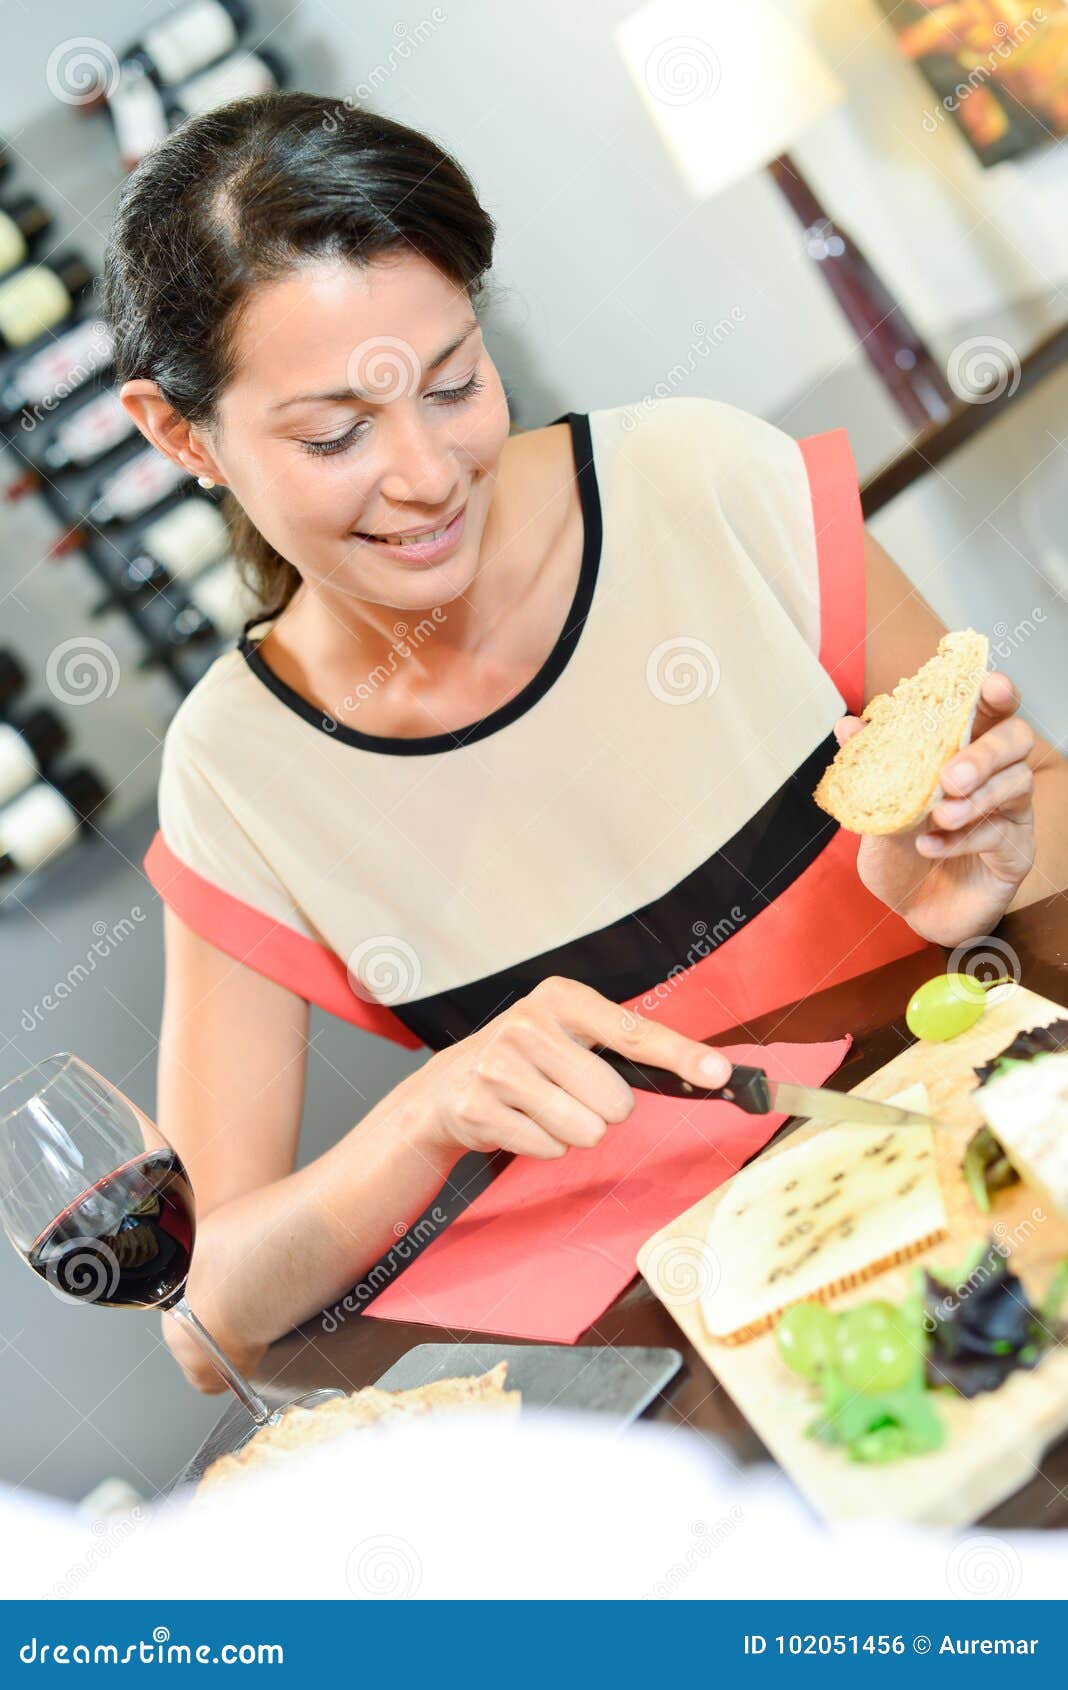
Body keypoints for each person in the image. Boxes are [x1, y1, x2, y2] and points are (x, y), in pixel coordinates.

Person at [103, 92, 1068, 1392]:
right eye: (336, 434)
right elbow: (210, 1322)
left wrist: (985, 882)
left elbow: (1036, 803)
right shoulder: (239, 772)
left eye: (454, 382)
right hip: (744, 1348)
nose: (431, 472)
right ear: (177, 433)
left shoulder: (707, 481)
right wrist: (423, 1118)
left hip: (1009, 1178)